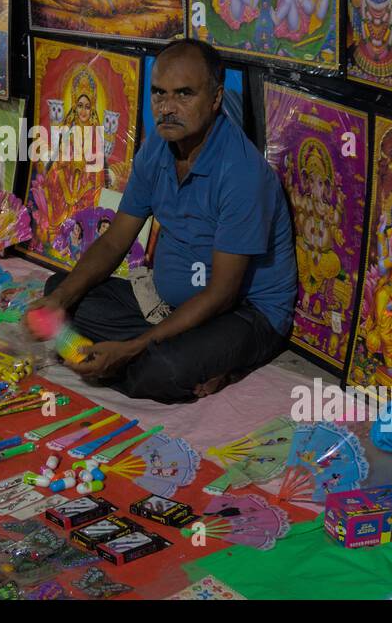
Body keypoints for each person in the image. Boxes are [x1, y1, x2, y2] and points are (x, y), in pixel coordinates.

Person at [28, 38, 296, 403]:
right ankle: (157, 352)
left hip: (243, 314)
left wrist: (132, 347)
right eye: (159, 94)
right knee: (60, 288)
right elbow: (114, 241)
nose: (167, 108)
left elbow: (222, 294)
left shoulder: (242, 173)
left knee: (163, 369)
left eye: (184, 94)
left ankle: (162, 359)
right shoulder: (156, 148)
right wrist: (60, 298)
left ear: (215, 99)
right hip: (168, 305)